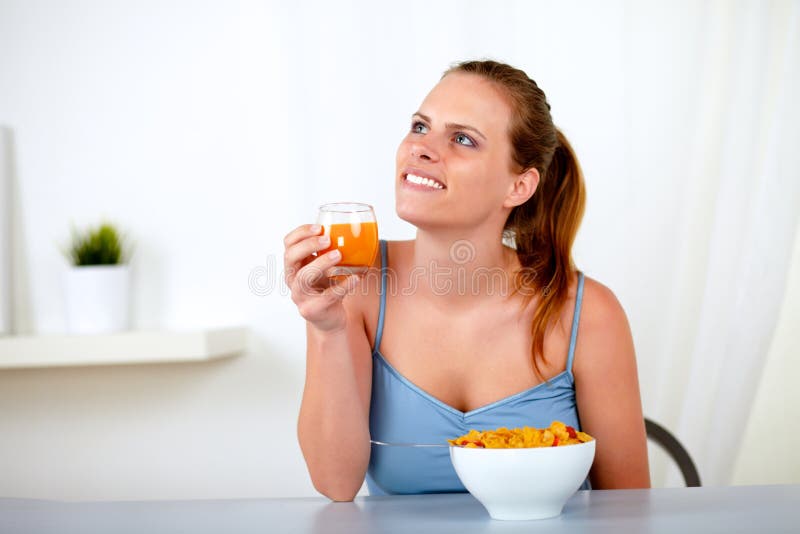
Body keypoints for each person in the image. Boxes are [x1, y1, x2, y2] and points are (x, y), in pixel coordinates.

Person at [284, 60, 650, 501]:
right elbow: (335, 484)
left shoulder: (589, 314)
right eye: (420, 126)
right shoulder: (356, 283)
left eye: (462, 139)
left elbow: (629, 510)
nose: (421, 148)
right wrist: (326, 329)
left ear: (519, 187)